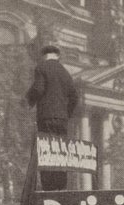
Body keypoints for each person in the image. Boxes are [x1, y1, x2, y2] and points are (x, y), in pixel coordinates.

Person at [25, 44, 79, 191]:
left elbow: (38, 88)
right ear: (58, 56)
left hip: (46, 118)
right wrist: (66, 114)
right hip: (62, 120)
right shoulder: (65, 73)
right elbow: (74, 97)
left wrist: (28, 100)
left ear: (44, 55)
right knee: (60, 151)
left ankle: (48, 189)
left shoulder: (41, 68)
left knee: (47, 151)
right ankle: (61, 188)